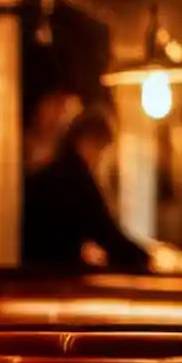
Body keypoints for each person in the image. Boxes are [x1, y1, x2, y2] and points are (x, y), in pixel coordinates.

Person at [22, 107, 152, 273]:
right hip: (50, 277)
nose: (100, 160)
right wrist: (144, 259)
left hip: (34, 271)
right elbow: (106, 232)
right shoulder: (74, 177)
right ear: (89, 141)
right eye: (102, 151)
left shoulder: (55, 171)